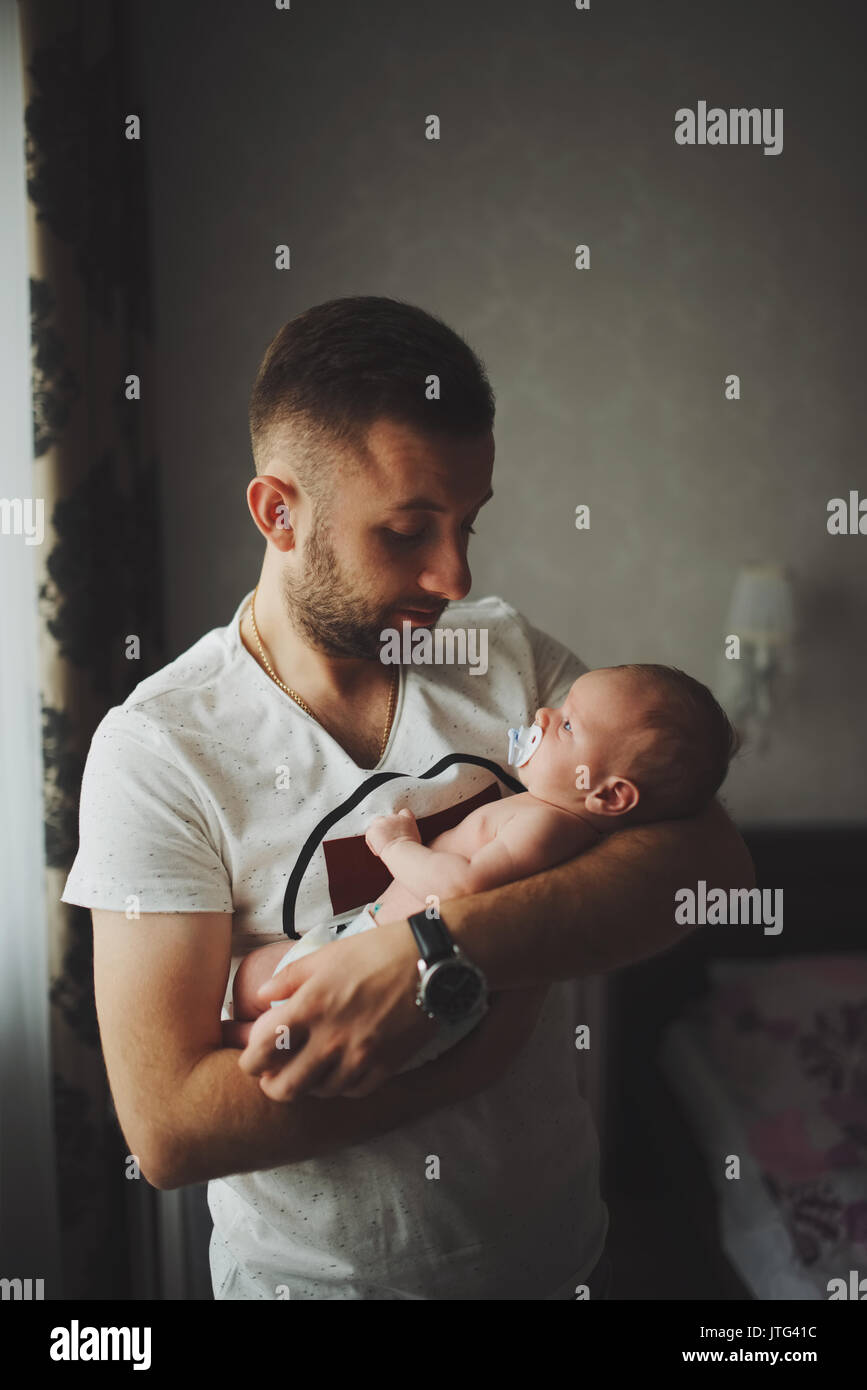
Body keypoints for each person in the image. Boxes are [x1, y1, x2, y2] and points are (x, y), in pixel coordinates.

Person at [62, 295, 754, 1300]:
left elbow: (708, 861)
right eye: (407, 530)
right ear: (278, 511)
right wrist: (464, 1048)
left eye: (468, 523)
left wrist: (438, 957)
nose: (455, 572)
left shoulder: (507, 657)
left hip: (555, 1266)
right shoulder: (158, 751)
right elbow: (172, 1126)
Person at [232, 663, 740, 1077]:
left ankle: (242, 1044)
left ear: (608, 794)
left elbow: (461, 888)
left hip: (386, 961)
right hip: (365, 939)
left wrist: (396, 847)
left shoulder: (545, 826)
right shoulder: (548, 814)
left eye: (567, 725)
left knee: (279, 1010)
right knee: (257, 984)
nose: (542, 714)